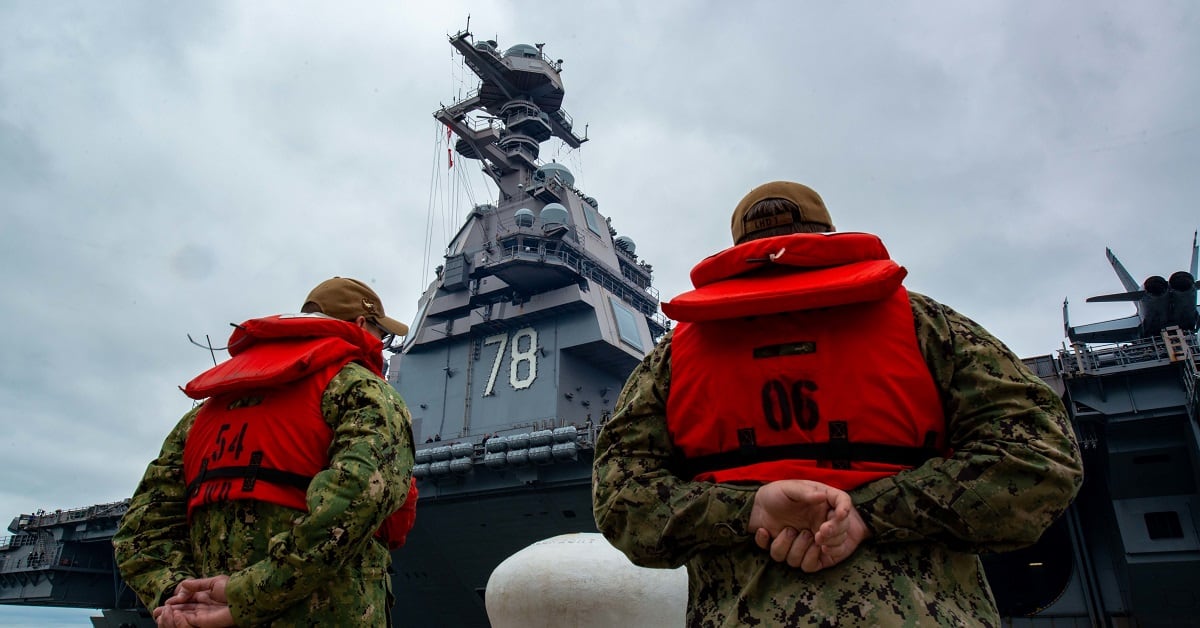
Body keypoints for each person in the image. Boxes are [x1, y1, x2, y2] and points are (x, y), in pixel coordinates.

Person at [592, 182, 1084, 626]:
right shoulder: (927, 324)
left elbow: (620, 500)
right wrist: (868, 514)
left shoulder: (674, 356)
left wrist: (750, 511)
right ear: (827, 234)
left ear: (739, 248)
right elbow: (1042, 459)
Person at [114, 277, 416, 627]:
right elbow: (358, 501)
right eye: (384, 334)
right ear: (362, 324)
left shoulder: (201, 415)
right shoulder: (363, 391)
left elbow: (139, 533)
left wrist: (181, 598)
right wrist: (245, 595)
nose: (382, 344)